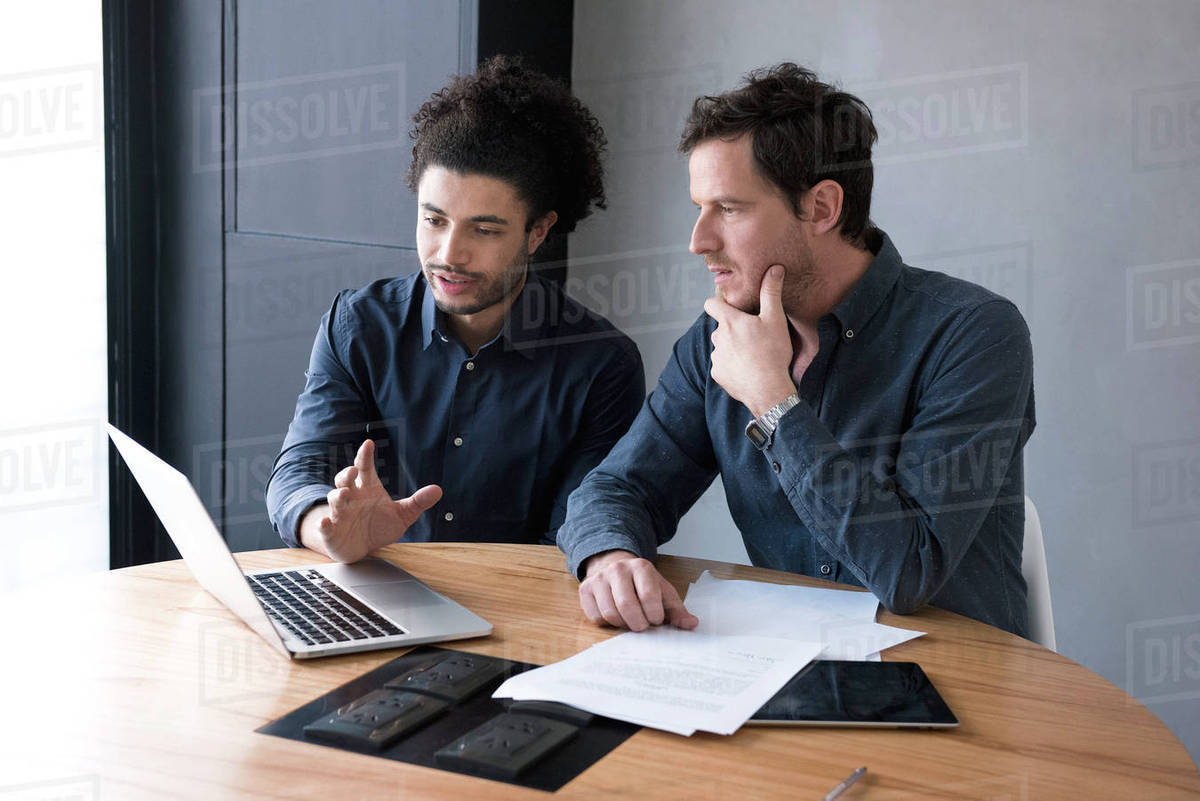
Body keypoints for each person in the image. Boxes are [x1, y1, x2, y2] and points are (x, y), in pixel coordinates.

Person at [558, 63, 1036, 636]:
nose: (698, 241)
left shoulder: (974, 333)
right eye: (699, 208)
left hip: (959, 684)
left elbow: (908, 573)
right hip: (792, 668)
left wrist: (772, 400)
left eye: (729, 209)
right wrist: (610, 557)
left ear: (822, 208)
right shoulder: (717, 341)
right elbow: (616, 488)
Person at [266, 56, 644, 563]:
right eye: (434, 220)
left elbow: (579, 533)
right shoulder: (358, 324)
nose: (448, 254)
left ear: (538, 231)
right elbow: (298, 471)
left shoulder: (600, 364)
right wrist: (326, 527)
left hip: (519, 617)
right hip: (378, 597)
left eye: (484, 230)